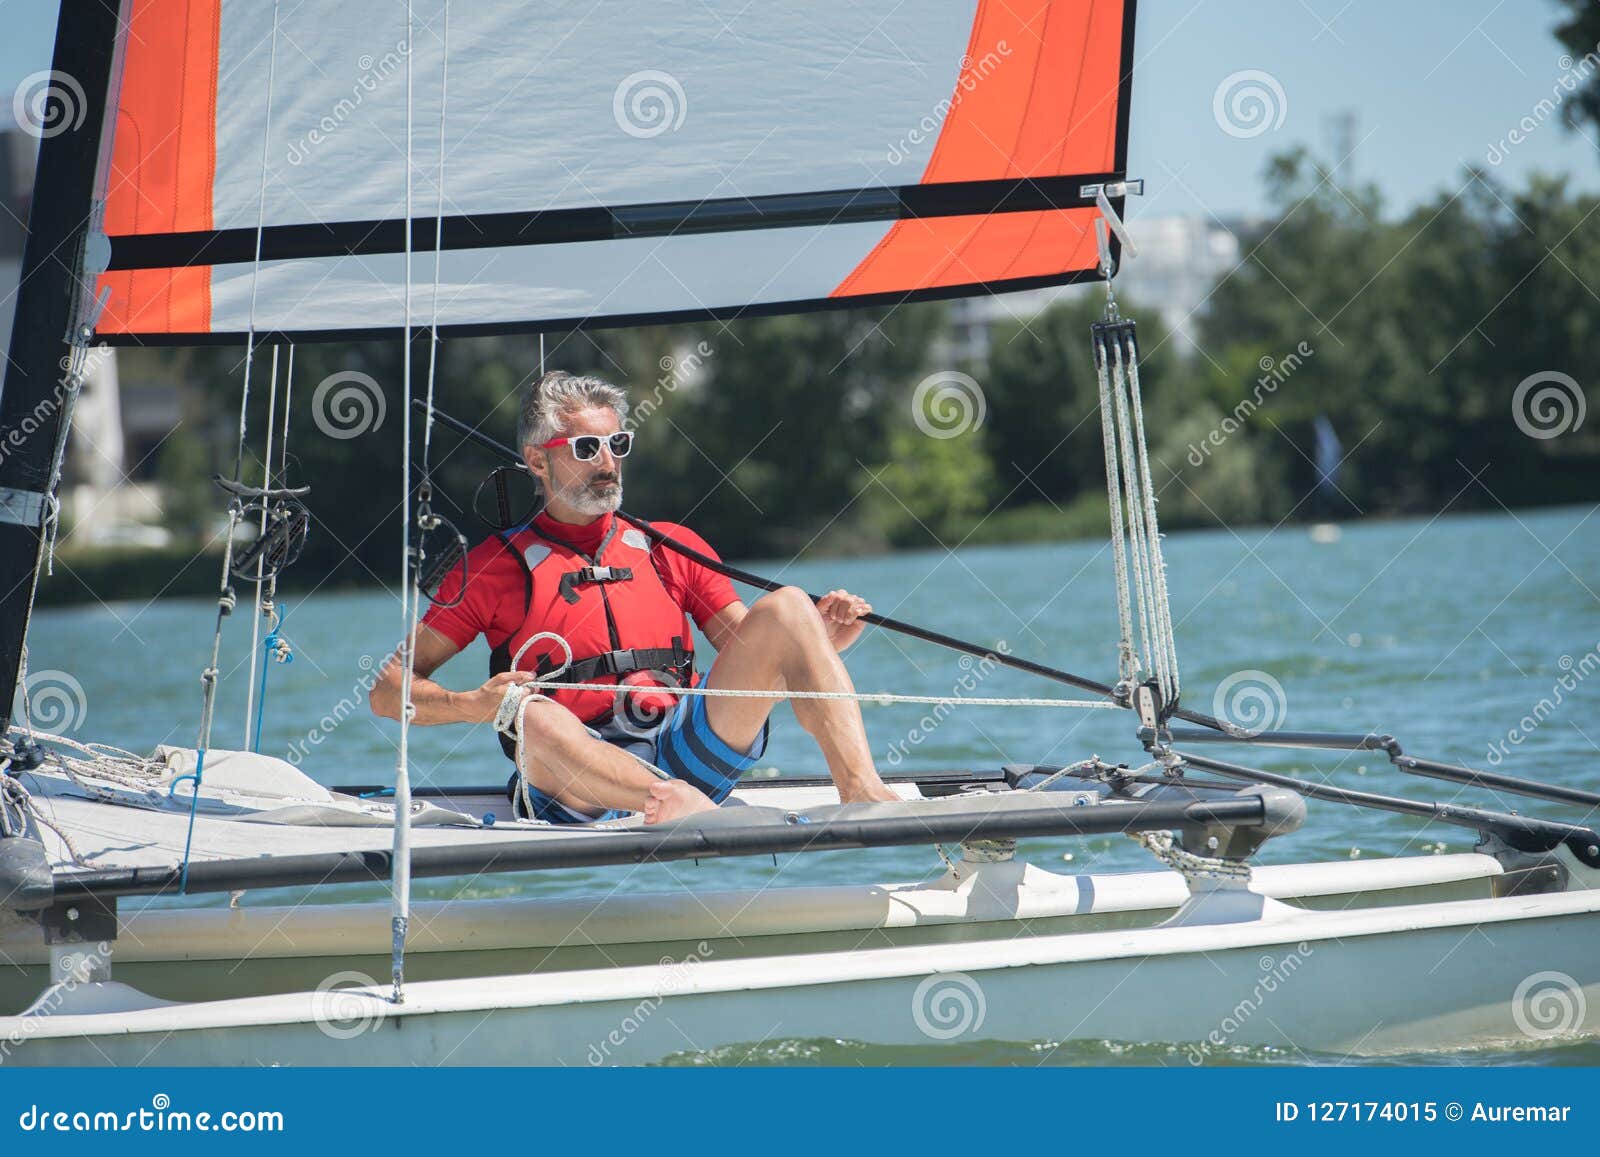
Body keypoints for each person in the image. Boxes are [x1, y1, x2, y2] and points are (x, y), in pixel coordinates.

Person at [370, 370, 900, 825]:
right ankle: (664, 800)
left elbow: (761, 665)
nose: (607, 463)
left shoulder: (670, 546)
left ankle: (862, 790)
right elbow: (388, 692)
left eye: (617, 444)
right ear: (537, 461)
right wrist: (472, 705)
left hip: (688, 754)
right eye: (586, 448)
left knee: (788, 606)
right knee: (528, 711)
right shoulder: (492, 567)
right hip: (578, 788)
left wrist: (820, 642)